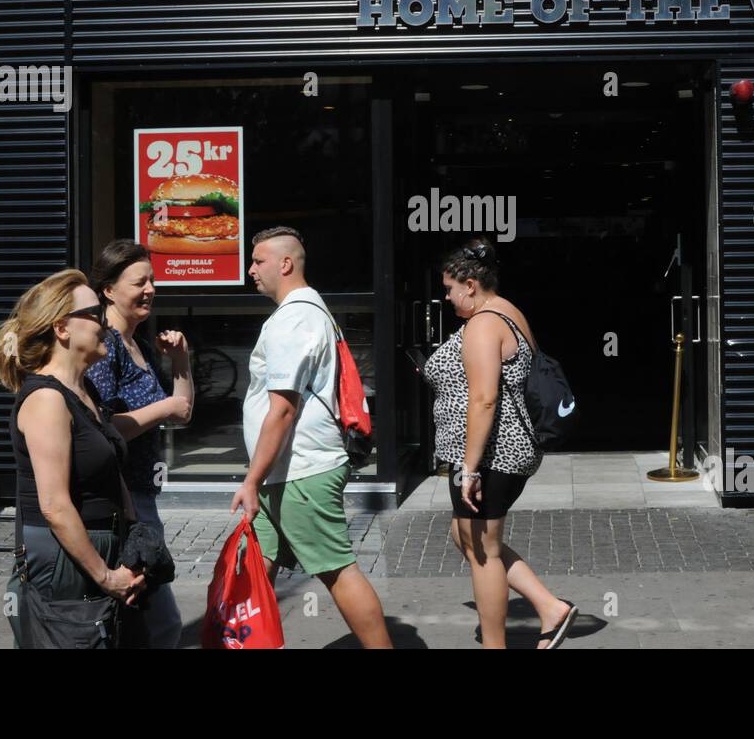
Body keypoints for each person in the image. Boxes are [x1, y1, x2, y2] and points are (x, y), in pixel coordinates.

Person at [230, 226, 392, 649]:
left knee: (336, 569)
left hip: (301, 470)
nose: (251, 270)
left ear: (285, 264)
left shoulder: (295, 317)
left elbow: (283, 409)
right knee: (257, 565)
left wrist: (250, 479)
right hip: (284, 471)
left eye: (258, 261)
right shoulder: (306, 311)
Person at [422, 237, 577, 649]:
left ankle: (495, 645)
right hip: (503, 450)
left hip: (489, 454)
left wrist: (470, 468)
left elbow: (484, 397)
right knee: (465, 536)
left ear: (470, 285)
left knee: (482, 552)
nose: (449, 299)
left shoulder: (483, 323)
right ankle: (550, 607)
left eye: (451, 290)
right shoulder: (509, 311)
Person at [0, 269, 145, 646]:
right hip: (67, 560)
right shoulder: (46, 400)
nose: (105, 324)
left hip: (102, 547)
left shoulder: (84, 389)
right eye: (95, 315)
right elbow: (55, 505)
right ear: (62, 329)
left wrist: (135, 534)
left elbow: (109, 466)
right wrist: (105, 577)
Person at [87, 238, 193, 649]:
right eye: (139, 282)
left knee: (144, 620)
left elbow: (182, 411)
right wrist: (164, 406)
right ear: (109, 290)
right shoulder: (105, 345)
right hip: (121, 498)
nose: (150, 289)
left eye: (152, 280)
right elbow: (100, 428)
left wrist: (181, 359)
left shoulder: (141, 346)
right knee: (161, 622)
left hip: (142, 495)